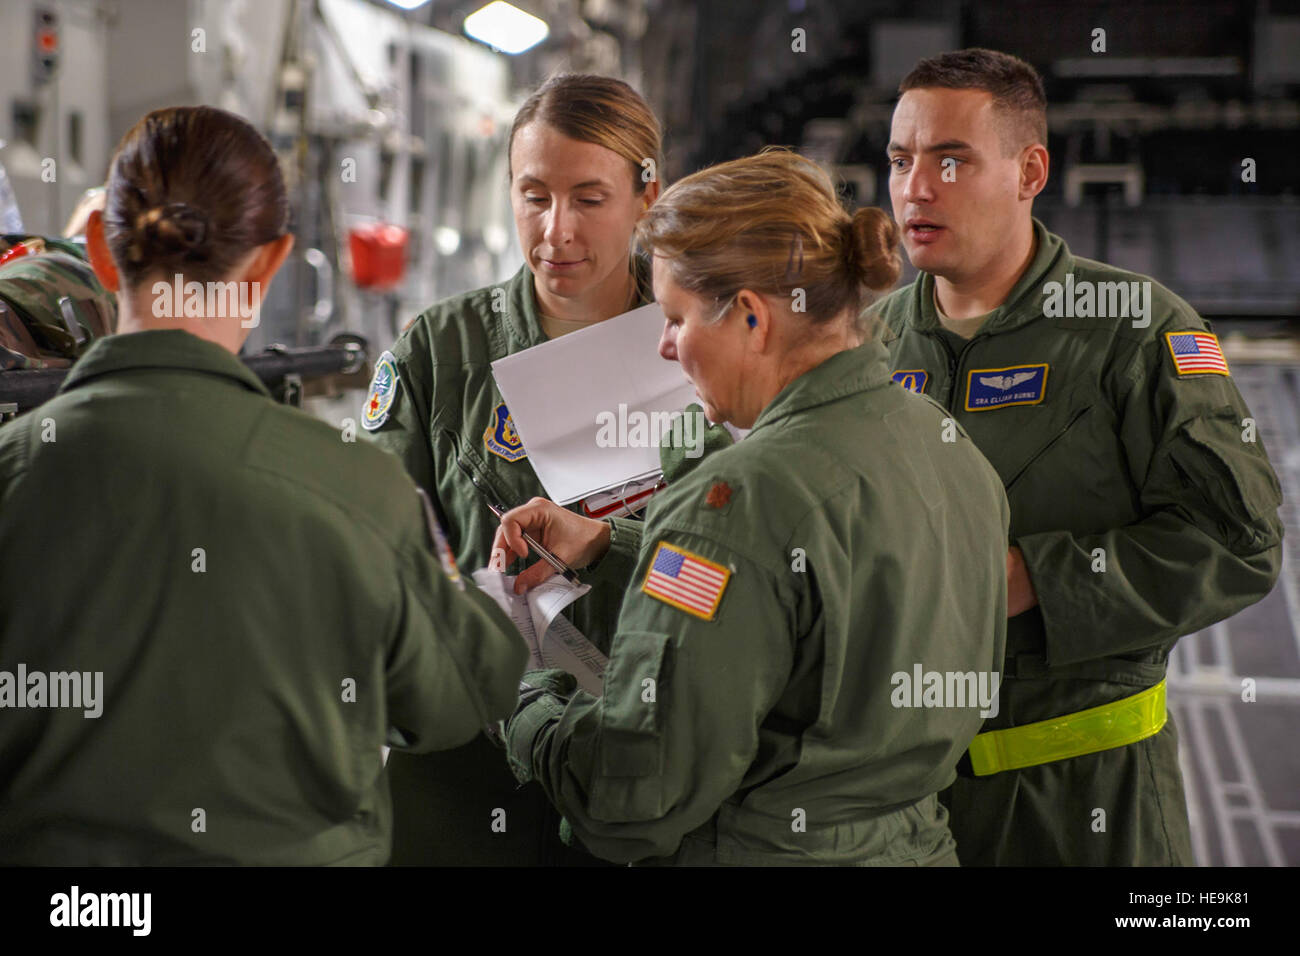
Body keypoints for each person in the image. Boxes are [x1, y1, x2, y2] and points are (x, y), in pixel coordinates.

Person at [0, 106, 526, 865]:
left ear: (97, 252)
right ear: (273, 261)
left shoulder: (17, 473)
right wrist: (495, 600)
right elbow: (463, 694)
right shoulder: (356, 487)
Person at [493, 150, 1010, 865]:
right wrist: (616, 549)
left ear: (750, 318)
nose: (667, 348)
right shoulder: (950, 449)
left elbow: (634, 798)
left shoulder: (737, 497)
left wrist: (527, 699)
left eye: (674, 318)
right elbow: (810, 606)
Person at [874, 48, 1284, 865]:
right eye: (900, 159)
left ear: (1030, 171)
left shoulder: (1137, 330)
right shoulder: (868, 345)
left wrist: (1030, 578)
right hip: (904, 809)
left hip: (1088, 808)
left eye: (951, 159)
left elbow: (1239, 542)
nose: (916, 187)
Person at [365, 73, 675, 865]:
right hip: (469, 753)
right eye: (533, 195)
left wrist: (614, 540)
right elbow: (371, 539)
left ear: (647, 196)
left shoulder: (700, 345)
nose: (556, 230)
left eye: (589, 197)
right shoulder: (443, 350)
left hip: (646, 748)